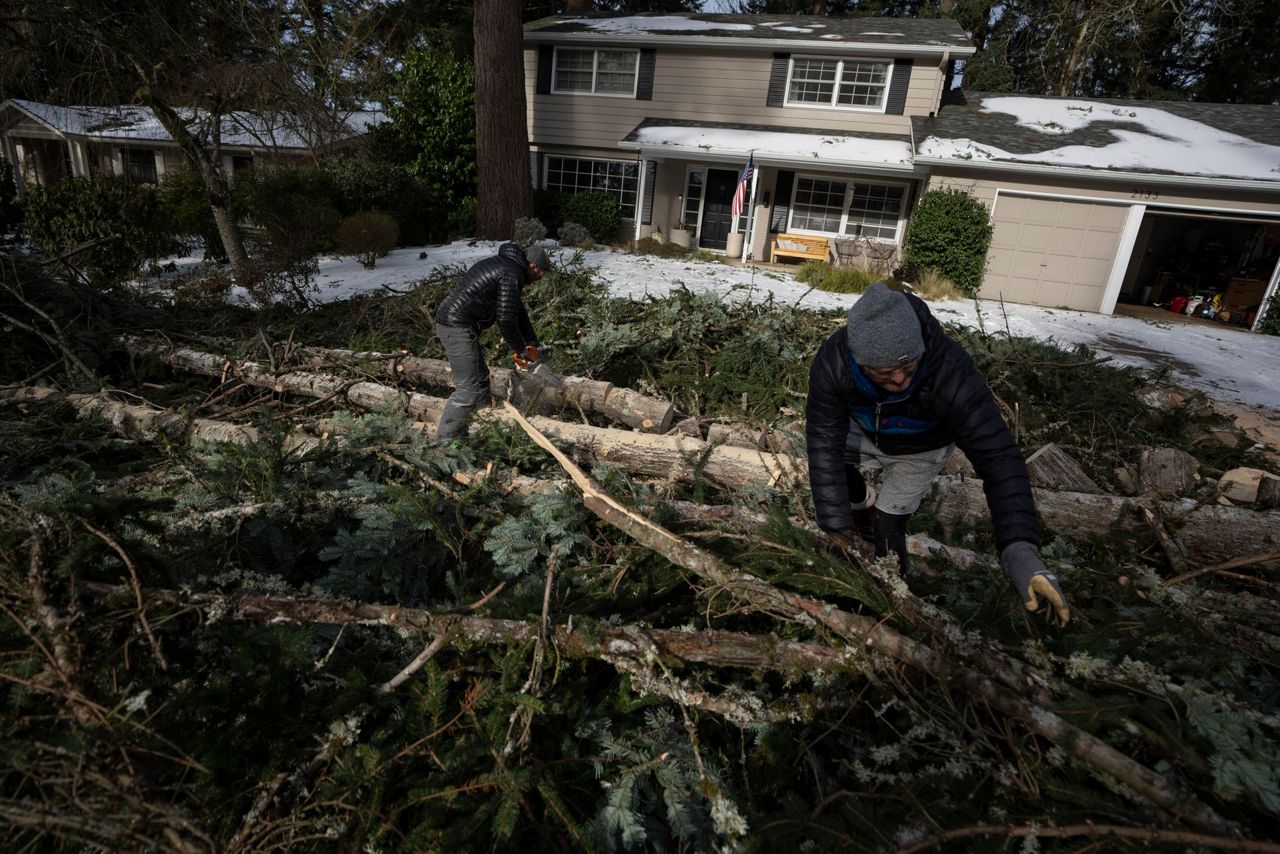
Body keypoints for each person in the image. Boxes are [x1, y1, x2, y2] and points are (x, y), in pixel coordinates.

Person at [805, 283, 1070, 626]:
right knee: (831, 466)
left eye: (910, 367)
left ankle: (891, 599)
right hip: (866, 432)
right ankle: (860, 507)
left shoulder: (951, 371)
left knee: (889, 524)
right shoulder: (834, 363)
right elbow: (824, 442)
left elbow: (999, 458)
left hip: (921, 448)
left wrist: (1019, 550)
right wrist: (838, 534)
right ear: (859, 359)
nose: (899, 379)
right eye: (885, 373)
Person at [434, 242, 551, 439]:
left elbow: (518, 312)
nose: (539, 279)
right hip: (456, 326)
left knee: (481, 378)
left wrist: (533, 342)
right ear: (533, 267)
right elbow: (505, 319)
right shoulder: (511, 273)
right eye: (540, 274)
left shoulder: (507, 266)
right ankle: (443, 446)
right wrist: (522, 350)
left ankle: (482, 427)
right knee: (468, 389)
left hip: (459, 323)